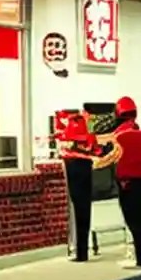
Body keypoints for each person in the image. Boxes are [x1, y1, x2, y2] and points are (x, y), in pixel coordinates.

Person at [112, 96, 141, 269]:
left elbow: (110, 159)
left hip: (126, 181)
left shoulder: (118, 136)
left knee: (131, 219)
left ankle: (136, 258)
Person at [57, 109, 98, 262]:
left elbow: (63, 143)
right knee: (84, 210)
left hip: (73, 165)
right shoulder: (87, 131)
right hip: (86, 166)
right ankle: (83, 251)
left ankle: (80, 252)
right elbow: (95, 148)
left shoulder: (71, 128)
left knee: (78, 208)